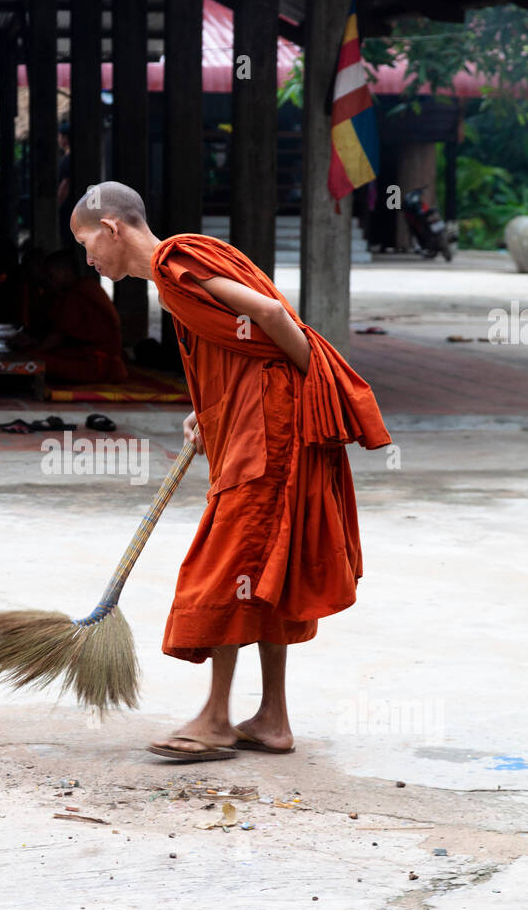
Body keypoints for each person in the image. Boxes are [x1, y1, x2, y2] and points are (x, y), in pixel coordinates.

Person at [70, 181, 391, 761]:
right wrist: (208, 410)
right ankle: (271, 718)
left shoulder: (173, 262)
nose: (87, 259)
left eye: (86, 242)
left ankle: (216, 719)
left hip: (271, 425)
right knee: (265, 563)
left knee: (225, 561)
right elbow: (237, 343)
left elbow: (267, 314)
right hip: (253, 417)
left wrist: (311, 378)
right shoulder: (174, 277)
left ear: (112, 229)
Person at [36, 249, 127, 383]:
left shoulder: (79, 293)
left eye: (51, 275)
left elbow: (59, 334)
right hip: (94, 358)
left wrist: (36, 352)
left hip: (98, 365)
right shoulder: (83, 288)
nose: (48, 281)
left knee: (36, 361)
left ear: (65, 272)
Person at [56, 122, 74, 248]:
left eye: (59, 136)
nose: (58, 139)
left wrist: (57, 204)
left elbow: (65, 184)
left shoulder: (67, 160)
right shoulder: (71, 158)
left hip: (67, 208)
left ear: (65, 138)